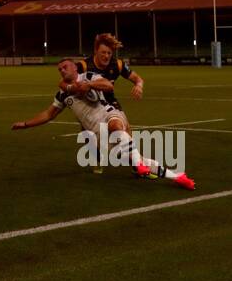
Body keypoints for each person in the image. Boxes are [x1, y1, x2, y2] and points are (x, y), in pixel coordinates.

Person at [12, 58, 196, 189]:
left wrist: (89, 86)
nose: (62, 70)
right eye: (59, 69)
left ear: (75, 68)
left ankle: (139, 165)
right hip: (98, 133)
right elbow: (49, 114)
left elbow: (108, 85)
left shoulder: (89, 76)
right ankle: (177, 176)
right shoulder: (62, 94)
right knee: (134, 158)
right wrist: (26, 124)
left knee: (115, 127)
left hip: (109, 114)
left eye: (65, 66)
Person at [77, 33, 143, 108]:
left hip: (109, 102)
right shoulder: (83, 65)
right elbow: (64, 83)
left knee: (120, 120)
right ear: (96, 51)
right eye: (103, 52)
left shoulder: (118, 64)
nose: (106, 56)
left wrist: (139, 86)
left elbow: (138, 79)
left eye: (109, 53)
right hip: (89, 105)